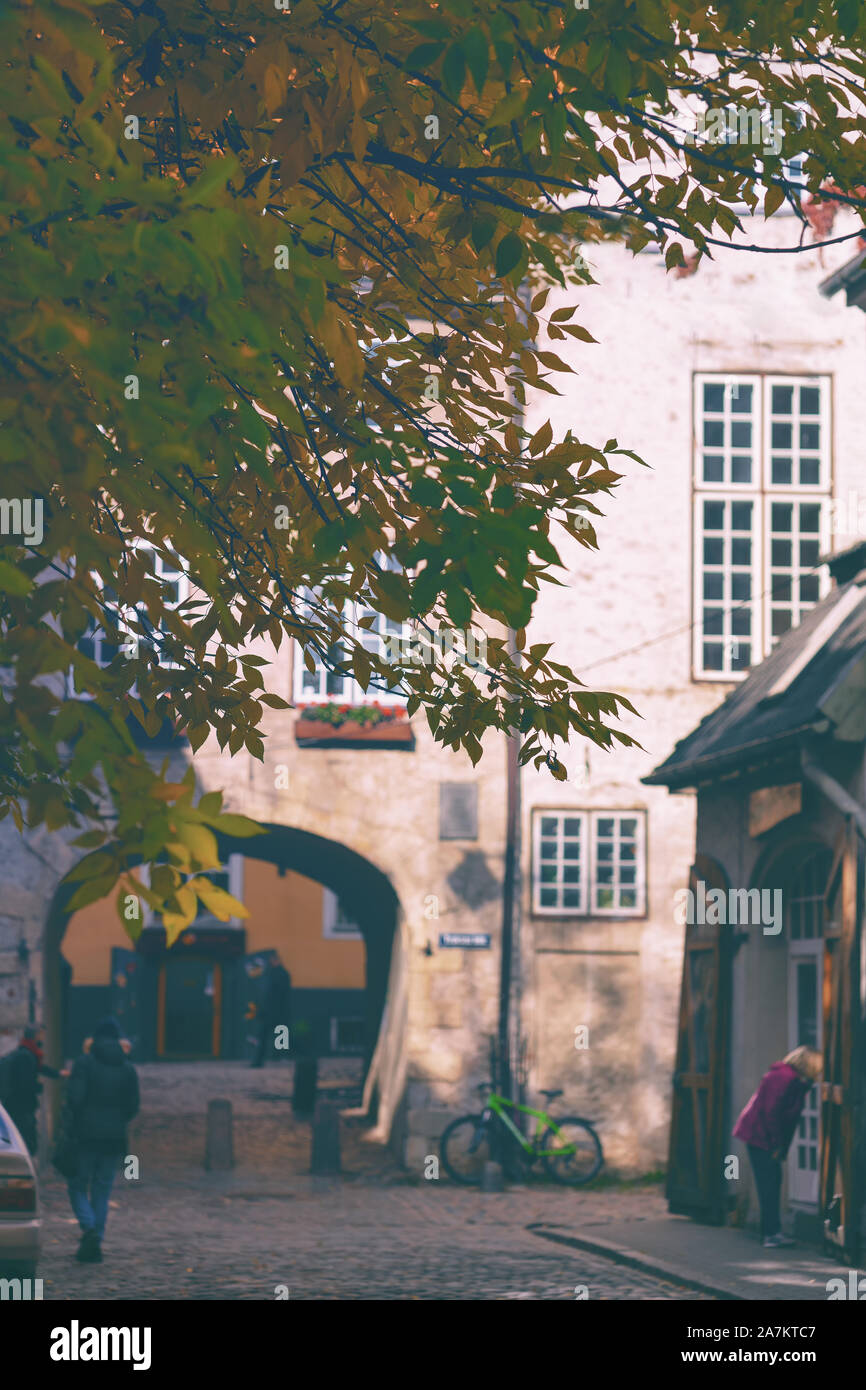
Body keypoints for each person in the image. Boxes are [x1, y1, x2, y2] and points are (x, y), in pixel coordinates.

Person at [65, 1016, 139, 1264]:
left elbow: (75, 1099)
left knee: (77, 1184)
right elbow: (132, 1106)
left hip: (85, 1136)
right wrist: (117, 1120)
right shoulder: (128, 1068)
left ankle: (89, 1229)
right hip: (113, 1137)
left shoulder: (84, 1063)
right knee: (102, 1188)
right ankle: (97, 1233)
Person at [733, 1045, 823, 1248]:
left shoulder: (793, 1079)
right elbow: (771, 1114)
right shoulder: (783, 1078)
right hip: (759, 1136)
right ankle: (770, 1234)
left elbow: (787, 1114)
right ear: (809, 1064)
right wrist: (775, 1145)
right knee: (769, 1185)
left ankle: (773, 1232)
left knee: (773, 1182)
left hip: (765, 1137)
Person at [0, 1024, 65, 1157]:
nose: (43, 1038)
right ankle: (22, 1172)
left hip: (16, 1104)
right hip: (21, 1106)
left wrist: (57, 1074)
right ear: (36, 1036)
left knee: (22, 1139)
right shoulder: (28, 1056)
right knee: (26, 1141)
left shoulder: (27, 1053)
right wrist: (38, 1086)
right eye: (41, 1035)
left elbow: (39, 1068)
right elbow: (26, 1084)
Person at [250, 953, 293, 1068]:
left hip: (273, 1011)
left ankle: (265, 1060)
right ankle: (270, 1059)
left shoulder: (274, 975)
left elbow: (274, 994)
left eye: (273, 960)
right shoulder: (277, 974)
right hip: (273, 1011)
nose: (271, 962)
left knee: (271, 1036)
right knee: (271, 1036)